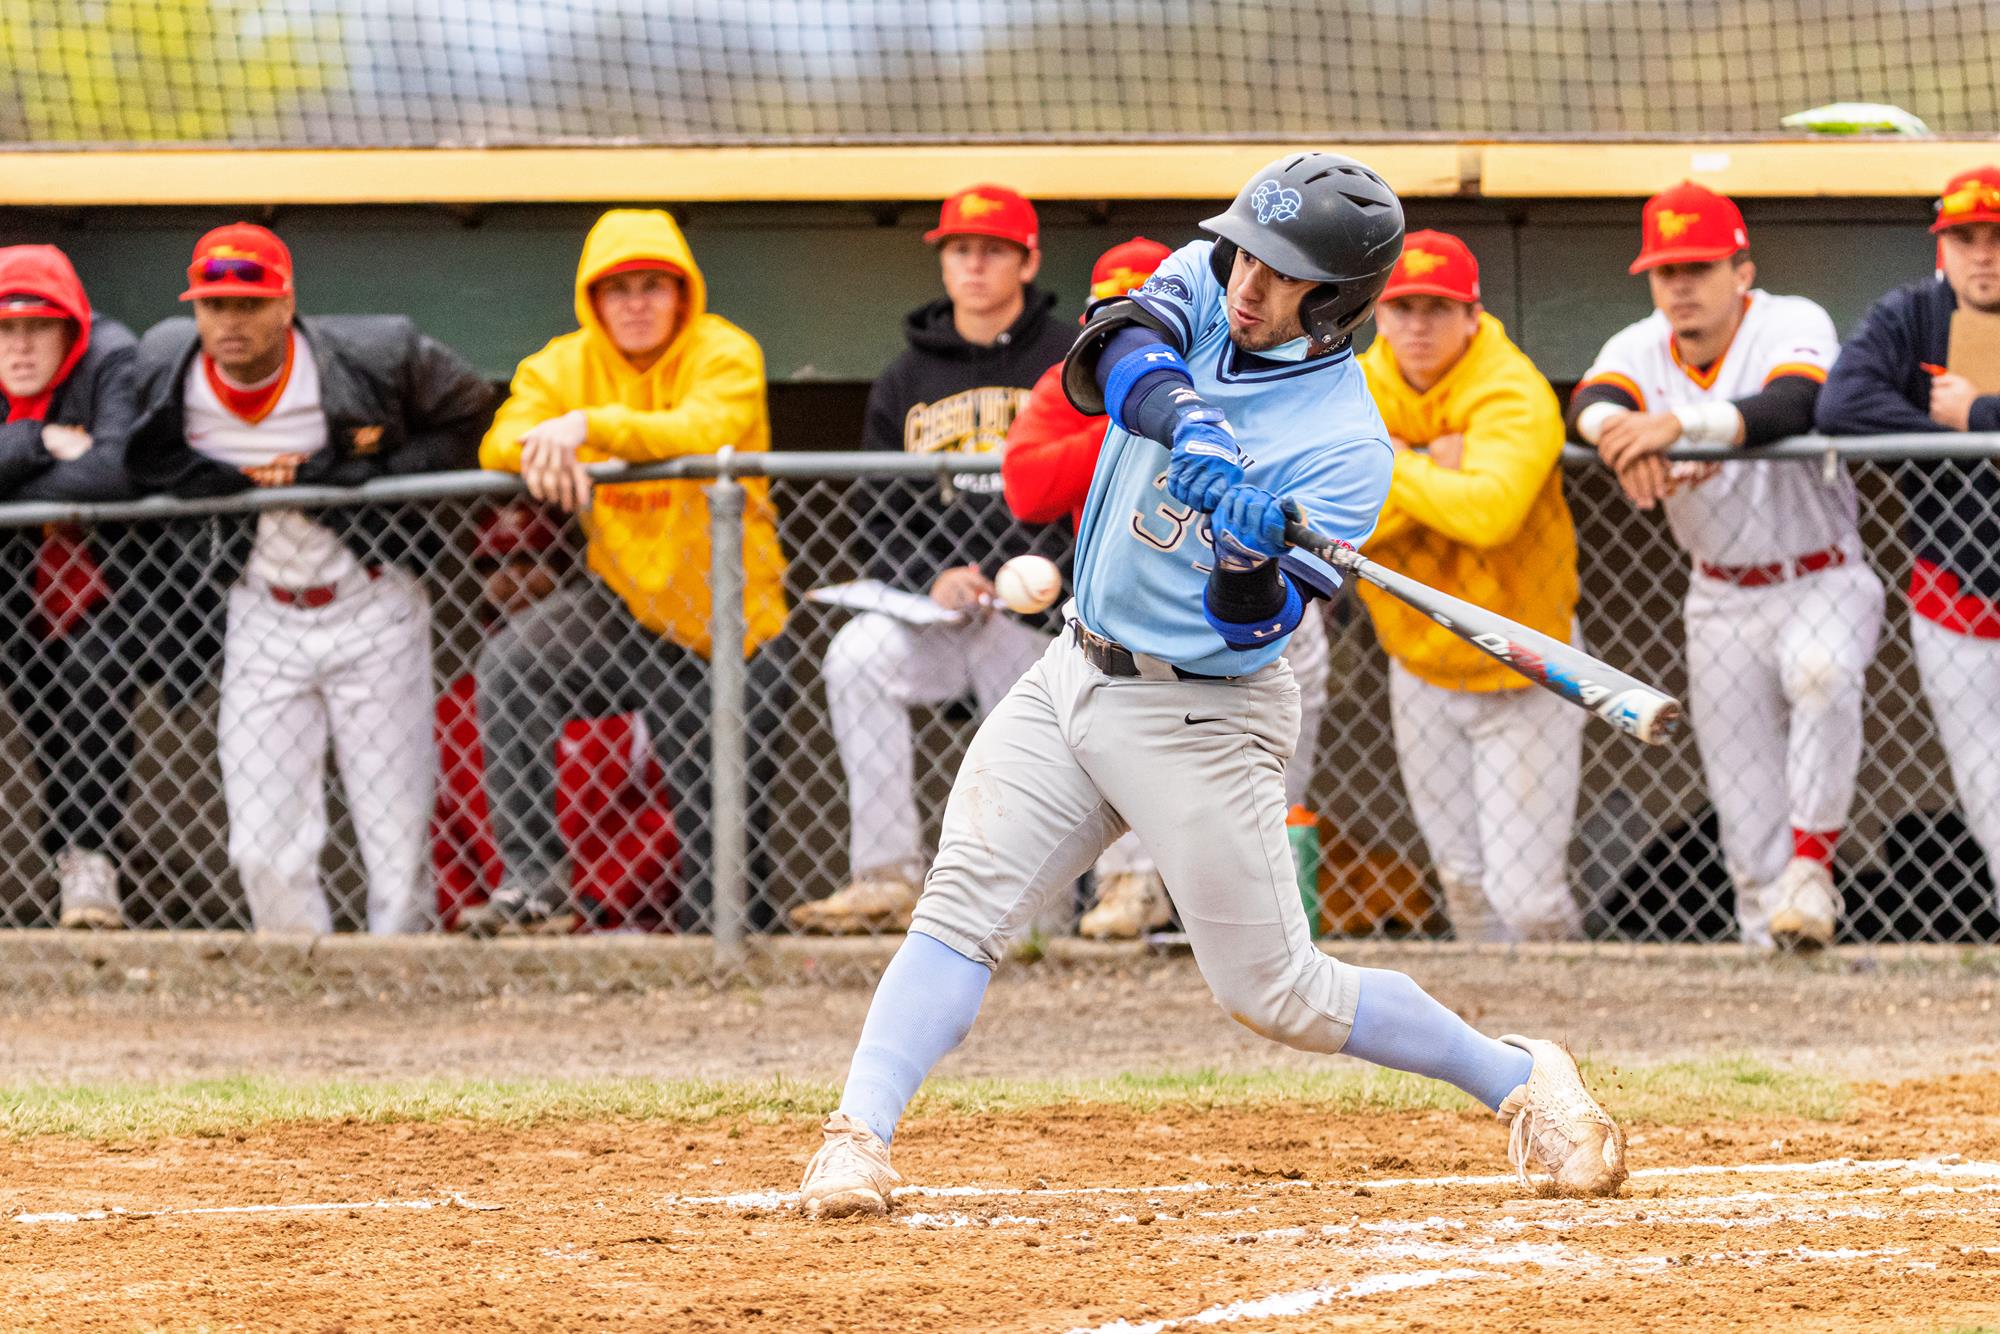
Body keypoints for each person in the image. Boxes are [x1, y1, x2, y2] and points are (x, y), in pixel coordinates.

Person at [796, 153, 1627, 1219]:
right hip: (1070, 670)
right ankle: (855, 1135)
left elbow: (1259, 624)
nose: (1247, 283)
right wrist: (1187, 419)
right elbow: (1112, 355)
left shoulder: (1344, 448)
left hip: (1200, 713)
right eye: (1246, 253)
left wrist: (1244, 552)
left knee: (1274, 993)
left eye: (1282, 275)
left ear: (1334, 301)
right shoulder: (1200, 276)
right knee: (958, 907)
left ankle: (1517, 1075)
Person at [125, 223, 495, 934]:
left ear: (286, 302)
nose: (230, 322)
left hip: (370, 601)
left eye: (249, 303)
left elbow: (473, 413)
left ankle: (401, 982)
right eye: (213, 305)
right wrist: (223, 485)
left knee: (396, 831)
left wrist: (365, 477)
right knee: (261, 840)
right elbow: (143, 457)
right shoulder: (167, 364)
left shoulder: (371, 355)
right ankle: (302, 982)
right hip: (261, 608)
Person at [1574, 182, 1882, 951]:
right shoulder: (1641, 345)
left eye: (1699, 267)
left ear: (1740, 271)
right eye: (1665, 269)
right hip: (1719, 595)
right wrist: (1624, 438)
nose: (1679, 286)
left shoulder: (1790, 318)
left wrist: (1680, 427)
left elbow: (1797, 403)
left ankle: (1814, 866)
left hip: (1823, 573)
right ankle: (1769, 964)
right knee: (1744, 818)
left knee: (1822, 675)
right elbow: (1589, 398)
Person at [999, 235, 1335, 938]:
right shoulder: (1095, 381)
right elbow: (1027, 488)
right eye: (1115, 314)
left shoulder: (1250, 375)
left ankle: (1247, 926)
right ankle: (1137, 896)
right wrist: (1149, 421)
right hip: (1129, 617)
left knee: (1249, 812)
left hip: (1253, 625)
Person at [472, 208, 793, 934]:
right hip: (621, 606)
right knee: (509, 668)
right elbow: (500, 439)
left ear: (683, 293)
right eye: (619, 290)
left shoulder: (724, 349)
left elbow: (703, 428)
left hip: (730, 618)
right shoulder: (565, 363)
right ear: (594, 299)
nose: (638, 303)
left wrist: (587, 427)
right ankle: (535, 884)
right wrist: (538, 443)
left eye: (655, 286)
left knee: (723, 828)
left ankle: (735, 955)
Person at [788, 185, 1077, 935]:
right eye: (959, 250)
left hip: (1039, 616)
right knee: (856, 656)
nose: (974, 265)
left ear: (1028, 261)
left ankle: (1037, 908)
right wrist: (931, 578)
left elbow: (1091, 488)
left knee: (1040, 724)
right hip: (940, 611)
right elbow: (877, 515)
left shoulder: (1067, 361)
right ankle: (885, 875)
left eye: (992, 250)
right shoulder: (904, 379)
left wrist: (1040, 572)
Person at [1357, 230, 1583, 942]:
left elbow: (1489, 514)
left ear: (1472, 313)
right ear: (1377, 315)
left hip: (1524, 657)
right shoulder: (1356, 385)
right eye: (1403, 308)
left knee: (1526, 899)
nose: (1418, 326)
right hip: (1420, 661)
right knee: (1463, 882)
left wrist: (1393, 464)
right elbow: (1342, 529)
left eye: (1437, 308)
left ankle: (1583, 1023)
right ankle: (1493, 1043)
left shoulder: (1510, 385)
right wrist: (1436, 467)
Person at [1817, 165, 2000, 919]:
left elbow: (1976, 416)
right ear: (1944, 247)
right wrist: (1946, 435)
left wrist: (1984, 417)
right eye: (1966, 237)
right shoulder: (1911, 314)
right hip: (1954, 592)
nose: (1984, 253)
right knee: (1985, 777)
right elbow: (1842, 402)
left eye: (1997, 237)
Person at [434, 502, 679, 933]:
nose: (513, 579)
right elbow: (446, 837)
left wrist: (596, 902)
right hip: (504, 919)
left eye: (530, 560)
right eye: (494, 565)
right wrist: (466, 918)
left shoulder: (621, 688)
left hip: (619, 923)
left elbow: (663, 816)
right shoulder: (455, 708)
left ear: (565, 567)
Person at [0, 244, 139, 929]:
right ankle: (69, 854)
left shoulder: (112, 356)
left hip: (114, 585)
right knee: (39, 706)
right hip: (15, 591)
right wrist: (40, 442)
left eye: (38, 327)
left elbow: (113, 473)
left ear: (71, 330)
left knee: (91, 680)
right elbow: (82, 463)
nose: (21, 347)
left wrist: (11, 469)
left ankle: (90, 858)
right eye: (5, 329)